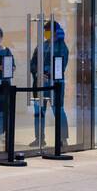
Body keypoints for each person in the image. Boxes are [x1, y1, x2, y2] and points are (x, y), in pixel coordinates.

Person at [29, 19, 69, 149]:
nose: (47, 34)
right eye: (45, 31)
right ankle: (39, 138)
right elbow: (32, 64)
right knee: (39, 111)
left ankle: (63, 139)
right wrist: (38, 72)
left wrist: (48, 74)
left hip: (55, 84)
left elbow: (61, 66)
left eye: (48, 31)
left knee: (59, 110)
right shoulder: (41, 46)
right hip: (40, 84)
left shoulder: (61, 47)